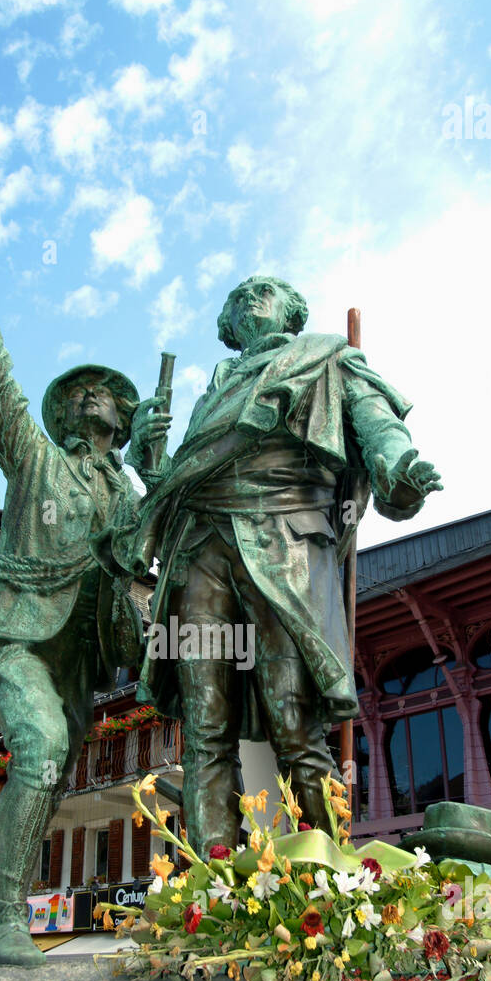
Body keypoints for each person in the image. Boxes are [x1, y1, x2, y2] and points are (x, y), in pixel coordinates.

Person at [118, 275, 442, 854]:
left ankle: (329, 875)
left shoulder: (322, 357)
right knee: (204, 727)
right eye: (238, 296)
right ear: (228, 325)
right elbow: (176, 484)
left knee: (295, 721)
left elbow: (376, 422)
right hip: (200, 545)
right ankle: (209, 883)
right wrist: (148, 458)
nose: (250, 298)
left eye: (264, 290)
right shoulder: (214, 391)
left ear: (291, 311)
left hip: (284, 536)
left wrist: (399, 465)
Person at [0, 185, 142, 967]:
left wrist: (154, 470)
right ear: (65, 416)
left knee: (47, 781)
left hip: (79, 654)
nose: (99, 398)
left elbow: (143, 564)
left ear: (123, 426)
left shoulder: (129, 492)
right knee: (44, 745)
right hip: (17, 624)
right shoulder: (34, 455)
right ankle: (10, 921)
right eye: (86, 390)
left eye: (113, 398)